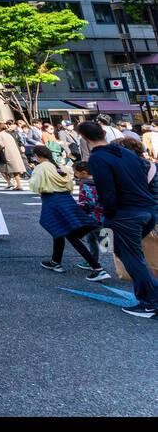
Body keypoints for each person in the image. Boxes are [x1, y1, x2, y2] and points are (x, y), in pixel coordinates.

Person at [80, 120, 158, 318]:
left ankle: (149, 301)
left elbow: (107, 190)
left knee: (132, 257)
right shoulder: (126, 154)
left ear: (85, 138)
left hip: (124, 214)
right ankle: (151, 296)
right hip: (146, 210)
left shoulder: (98, 158)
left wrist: (109, 213)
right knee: (130, 254)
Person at [27, 145, 109, 281]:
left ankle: (98, 268)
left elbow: (35, 185)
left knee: (69, 234)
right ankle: (55, 261)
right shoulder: (57, 166)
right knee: (59, 230)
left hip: (52, 200)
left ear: (38, 155)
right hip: (66, 199)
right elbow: (69, 184)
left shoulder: (41, 167)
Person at [0, 122, 27, 191]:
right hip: (14, 154)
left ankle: (9, 183)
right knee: (15, 170)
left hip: (6, 155)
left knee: (1, 169)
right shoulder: (8, 134)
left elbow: (1, 145)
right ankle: (18, 184)